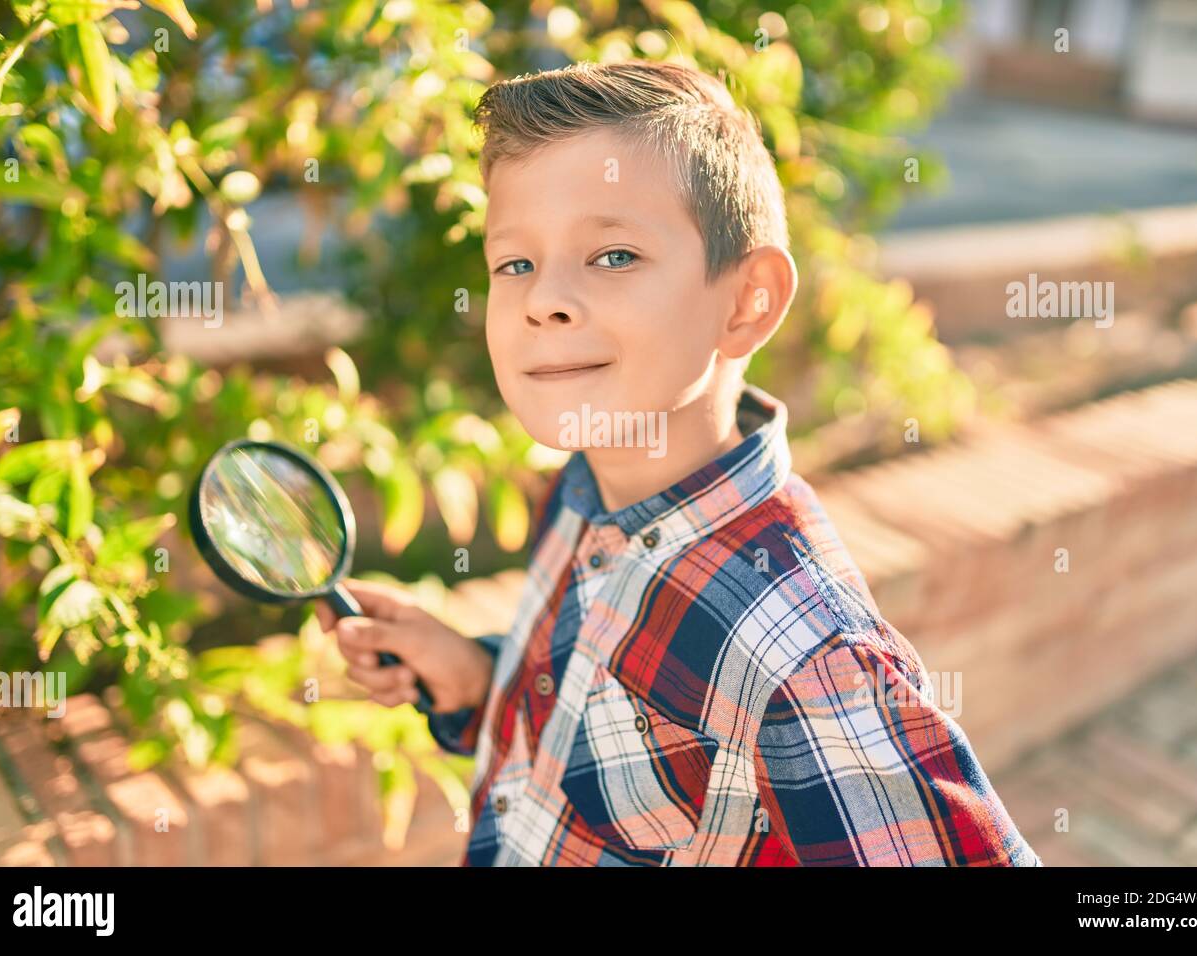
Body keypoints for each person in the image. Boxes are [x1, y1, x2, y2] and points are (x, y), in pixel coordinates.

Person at [317, 60, 1041, 867]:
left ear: (746, 303)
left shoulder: (802, 651)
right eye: (514, 263)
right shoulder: (588, 490)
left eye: (614, 255)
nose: (540, 298)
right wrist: (478, 677)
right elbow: (596, 745)